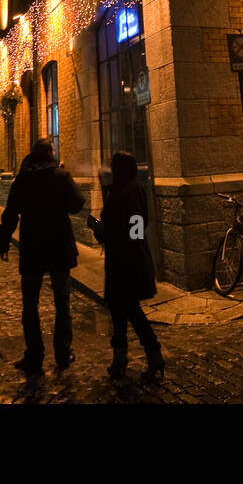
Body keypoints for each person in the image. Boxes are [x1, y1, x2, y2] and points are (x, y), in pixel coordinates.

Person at [0, 138, 85, 374]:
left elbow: (11, 212)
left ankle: (34, 355)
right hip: (58, 245)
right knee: (62, 302)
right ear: (50, 153)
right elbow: (77, 204)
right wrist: (64, 180)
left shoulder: (23, 178)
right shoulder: (59, 175)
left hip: (33, 246)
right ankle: (63, 352)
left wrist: (3, 241)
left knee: (30, 305)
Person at [89, 151, 163, 380]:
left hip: (126, 262)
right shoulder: (130, 190)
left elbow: (135, 229)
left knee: (130, 311)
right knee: (119, 313)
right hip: (124, 259)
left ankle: (153, 356)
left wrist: (103, 230)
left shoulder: (127, 193)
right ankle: (121, 360)